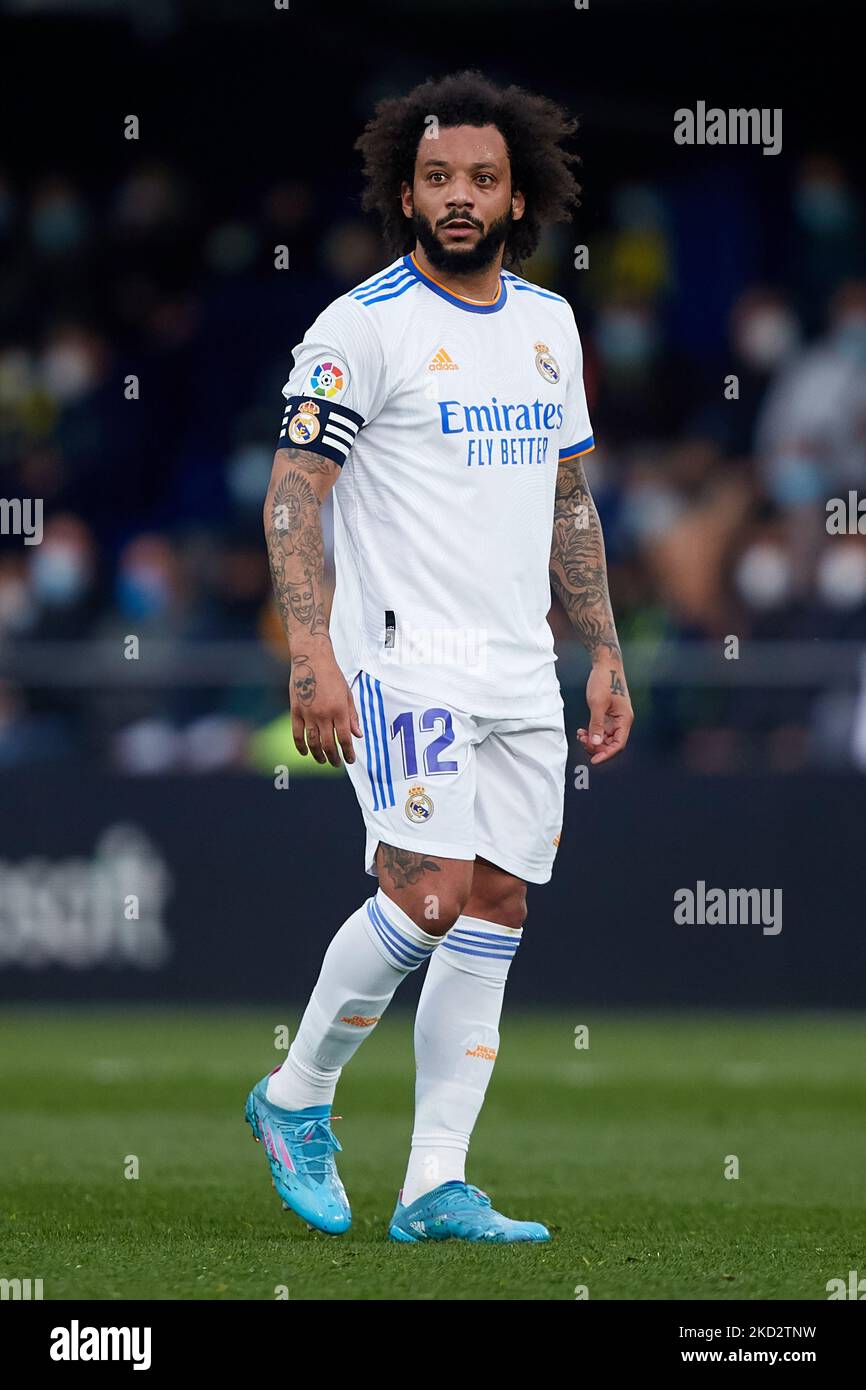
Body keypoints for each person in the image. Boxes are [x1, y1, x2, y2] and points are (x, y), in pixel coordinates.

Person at [245, 70, 633, 1243]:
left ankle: (432, 1184)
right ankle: (294, 1096)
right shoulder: (361, 327)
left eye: (478, 179)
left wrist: (603, 649)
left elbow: (570, 501)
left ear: (518, 199)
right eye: (435, 179)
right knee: (425, 891)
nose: (456, 198)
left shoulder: (549, 327)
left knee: (497, 901)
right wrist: (310, 647)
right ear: (402, 192)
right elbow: (291, 491)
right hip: (401, 657)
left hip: (519, 664)